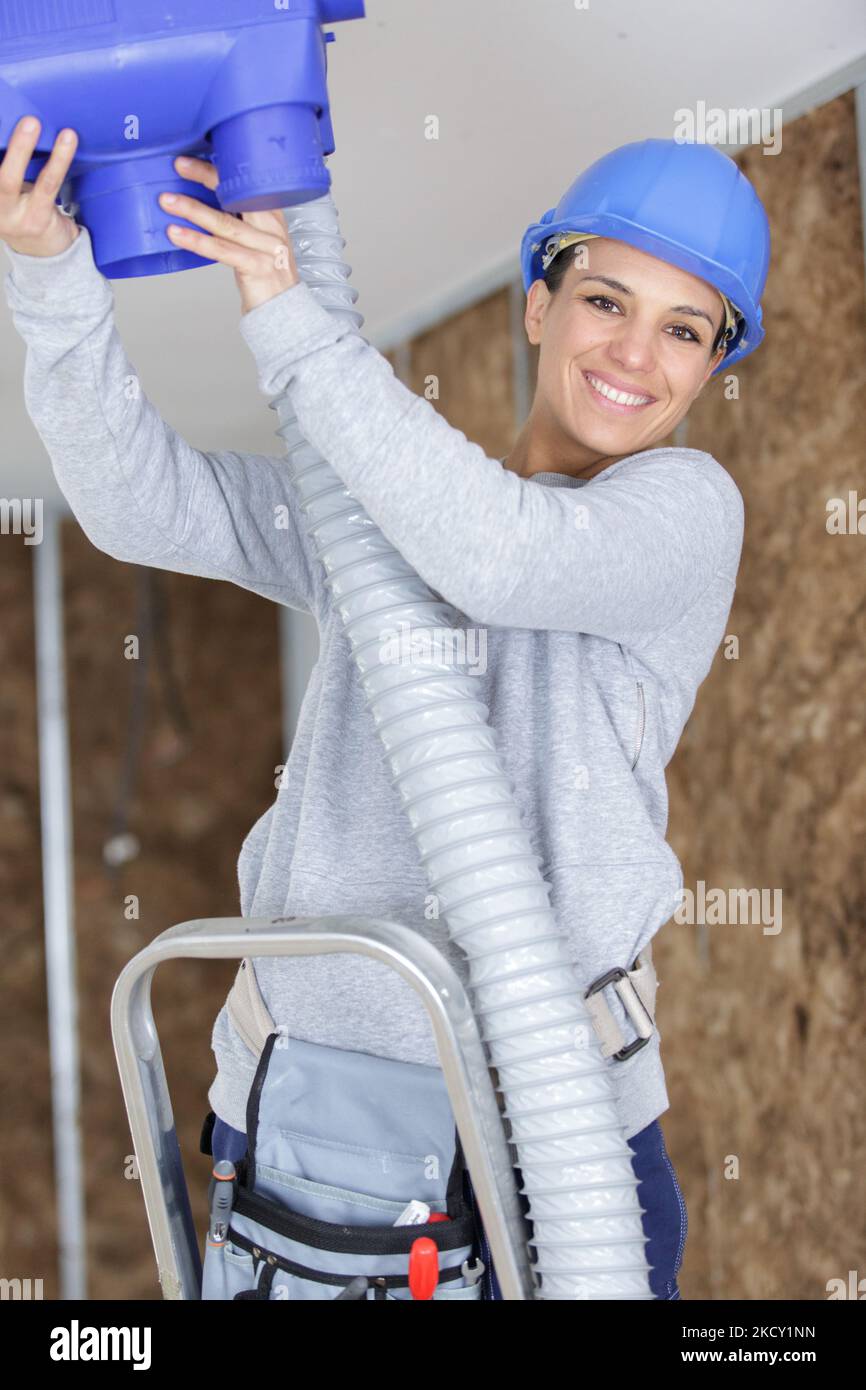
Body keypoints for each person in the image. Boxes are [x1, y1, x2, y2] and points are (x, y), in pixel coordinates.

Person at [1, 118, 769, 1299]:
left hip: (544, 1150)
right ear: (536, 307)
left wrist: (288, 316)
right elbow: (140, 502)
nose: (636, 354)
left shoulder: (682, 515)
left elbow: (504, 558)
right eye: (606, 302)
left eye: (683, 330)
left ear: (713, 364)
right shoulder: (383, 522)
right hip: (297, 1128)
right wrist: (48, 272)